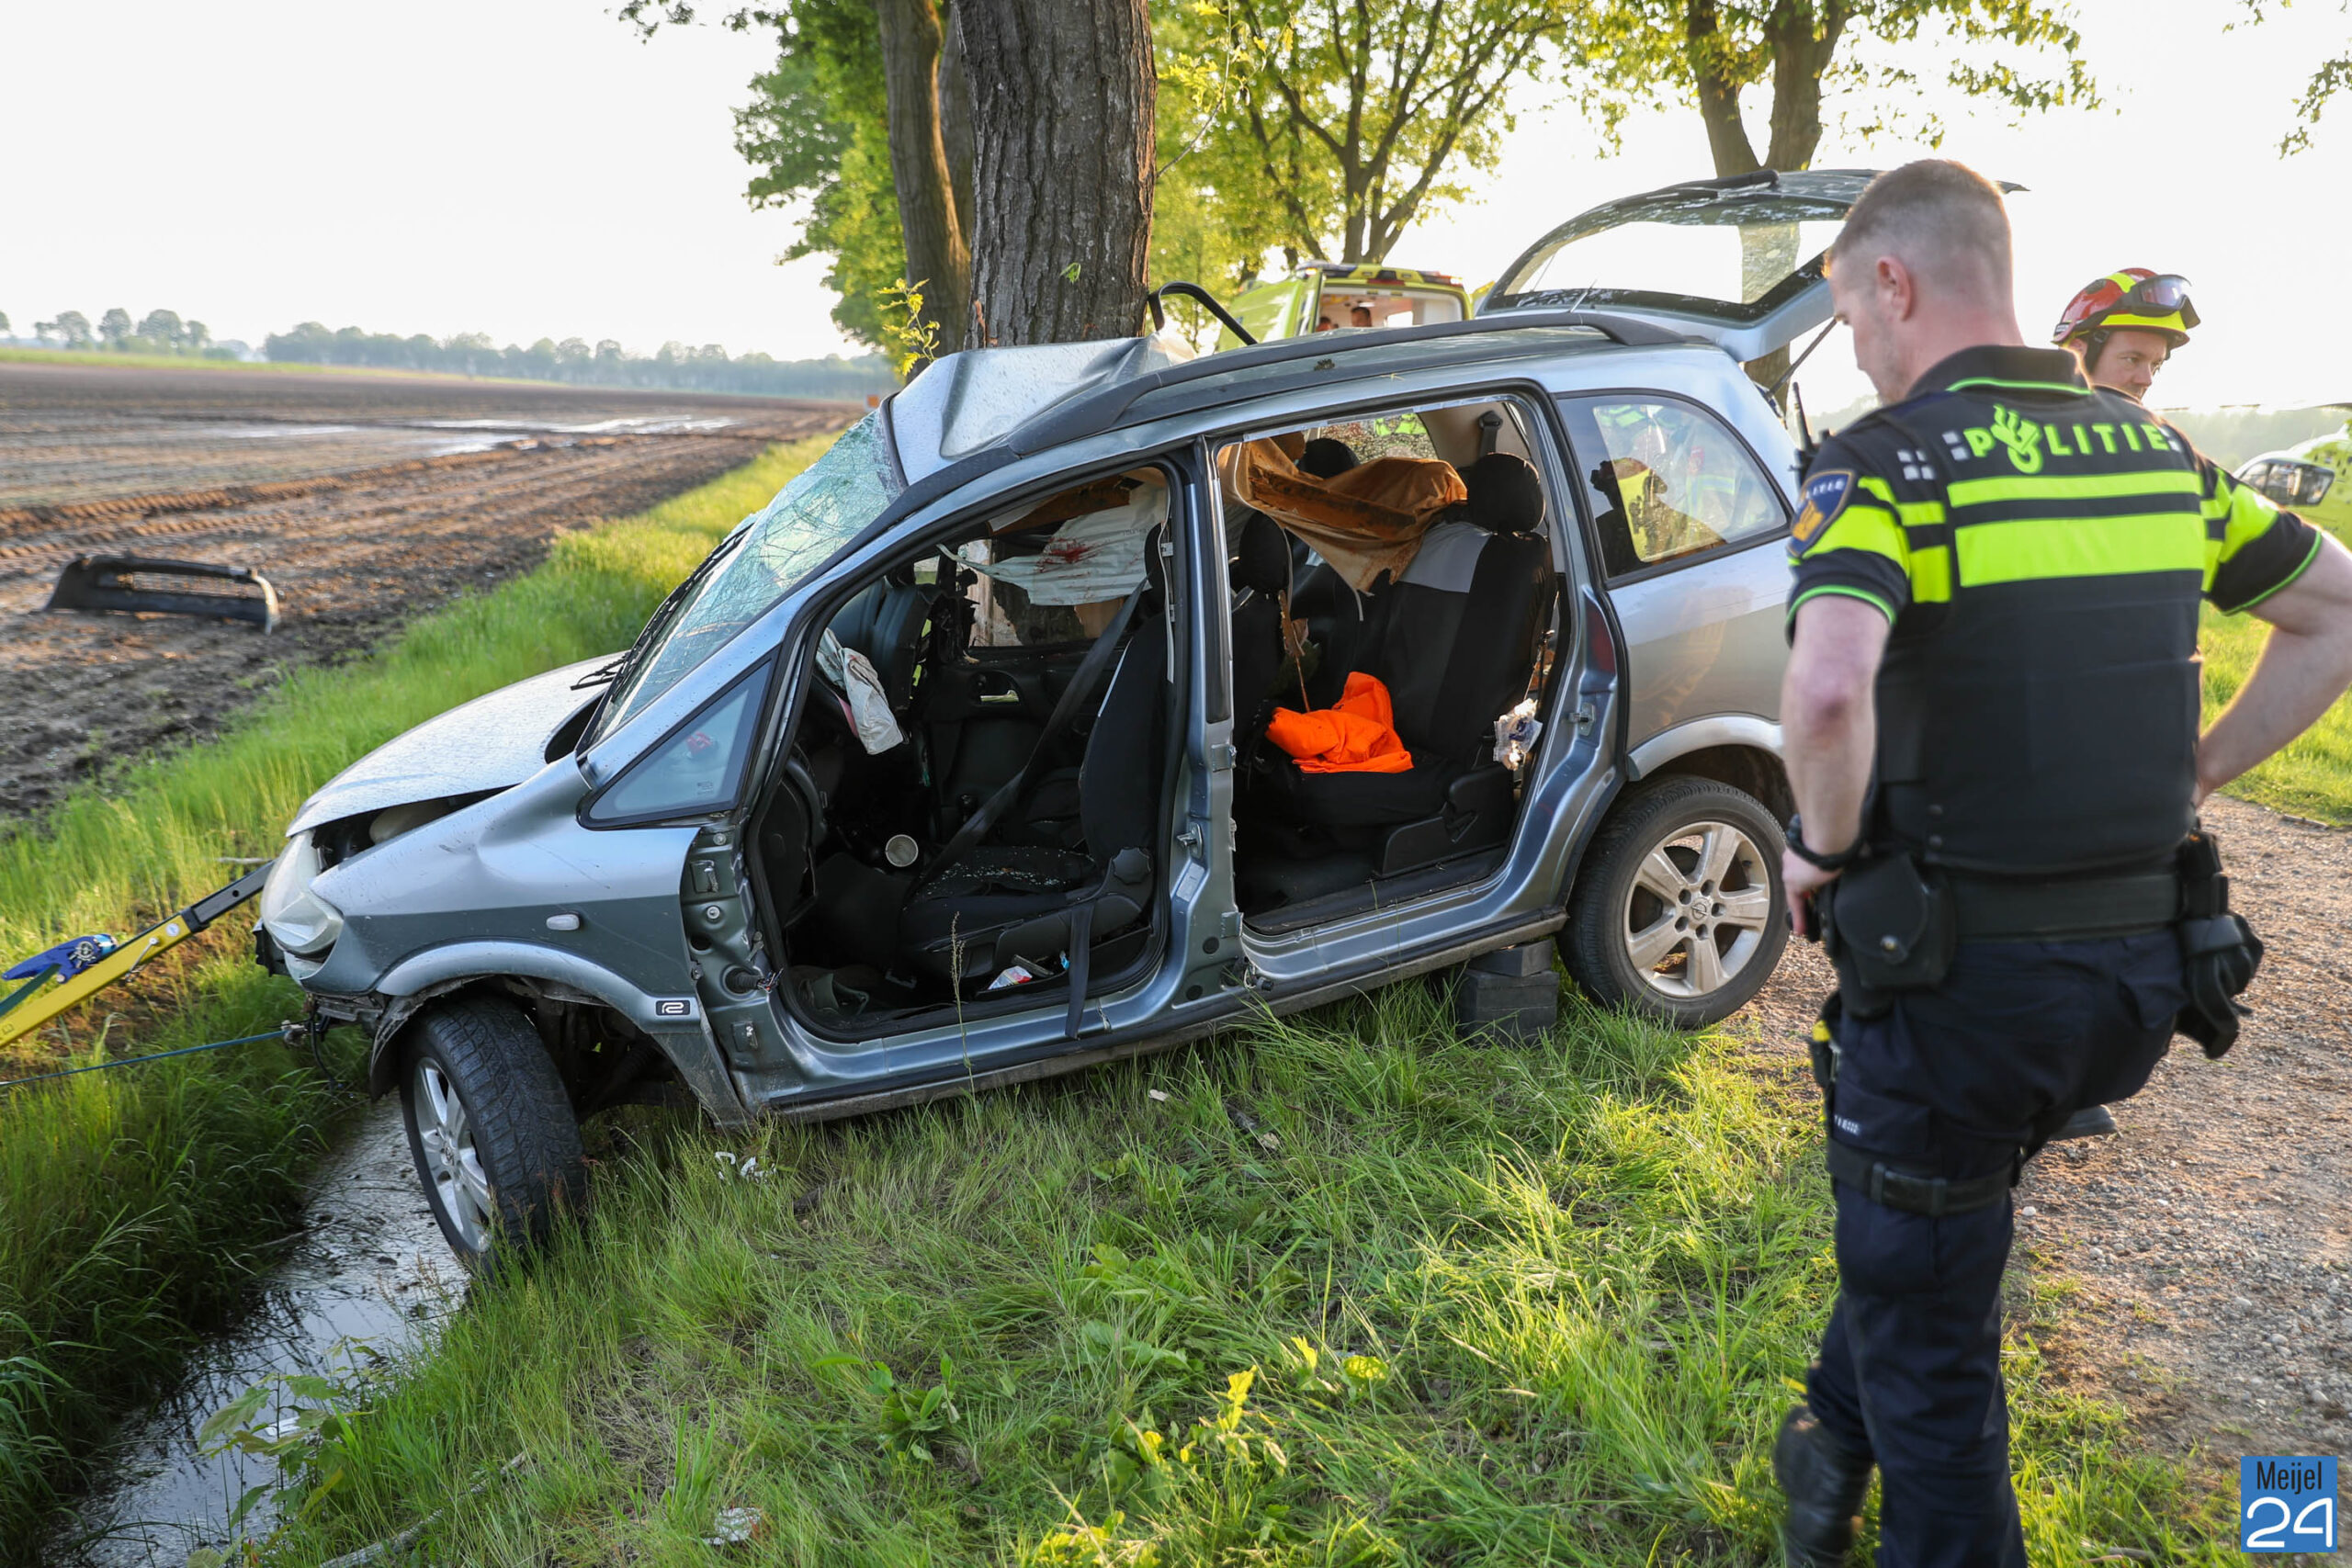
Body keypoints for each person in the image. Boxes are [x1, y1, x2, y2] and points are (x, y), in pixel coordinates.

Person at [1773, 160, 2352, 1566]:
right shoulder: (2160, 457)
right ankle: (1822, 1442)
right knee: (1935, 1209)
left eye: (1849, 312)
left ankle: (1878, 1455)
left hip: (1960, 983)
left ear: (1894, 283)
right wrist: (2197, 772)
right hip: (2136, 984)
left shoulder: (1890, 461)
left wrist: (1820, 851)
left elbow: (1831, 690)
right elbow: (2335, 605)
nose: (1855, 342)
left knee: (1941, 1371)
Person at [2053, 267, 2196, 402]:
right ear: (2075, 356)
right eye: (2132, 359)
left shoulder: (2151, 427)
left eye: (2155, 365)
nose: (2147, 380)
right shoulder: (2037, 423)